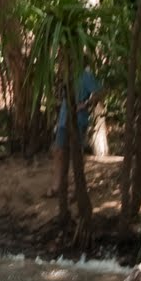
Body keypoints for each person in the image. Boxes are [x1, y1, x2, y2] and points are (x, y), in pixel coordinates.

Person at [48, 66, 103, 196]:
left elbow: (100, 92)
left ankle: (77, 187)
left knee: (76, 153)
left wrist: (86, 104)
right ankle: (58, 185)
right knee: (59, 151)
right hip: (63, 119)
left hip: (78, 121)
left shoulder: (85, 74)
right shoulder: (66, 74)